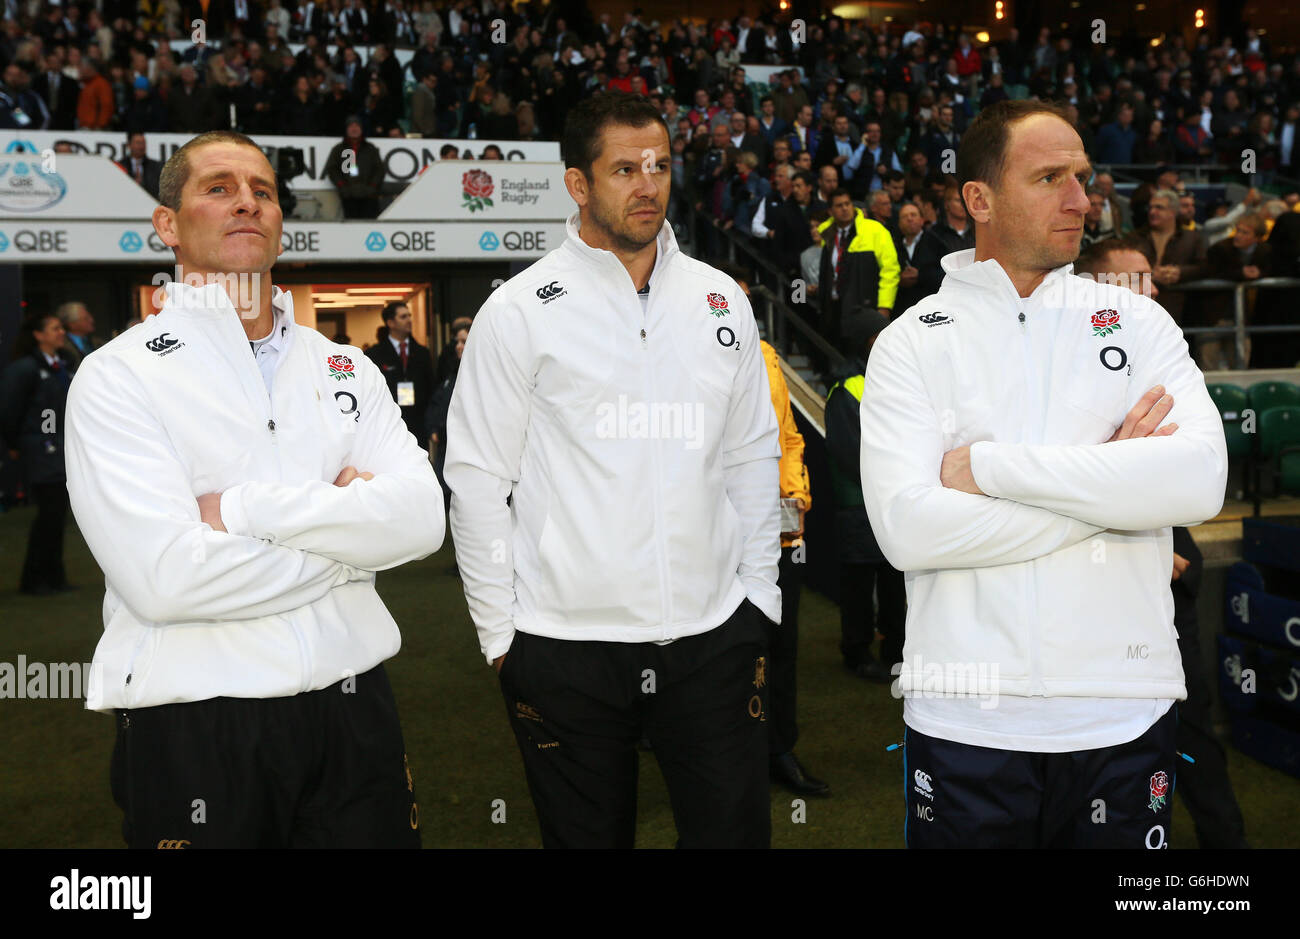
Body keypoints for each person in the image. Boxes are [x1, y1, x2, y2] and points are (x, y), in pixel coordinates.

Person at [859, 100, 1227, 848]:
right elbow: (909, 532)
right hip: (966, 719)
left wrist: (991, 467)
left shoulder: (1138, 321)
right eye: (1050, 177)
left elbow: (1196, 483)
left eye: (1083, 177)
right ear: (978, 198)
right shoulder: (910, 344)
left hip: (1122, 712)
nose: (1080, 200)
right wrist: (1117, 485)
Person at [63, 131, 445, 848]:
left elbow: (423, 519)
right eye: (218, 187)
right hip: (196, 719)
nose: (246, 201)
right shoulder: (118, 377)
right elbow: (167, 581)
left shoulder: (344, 367)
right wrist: (353, 542)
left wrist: (244, 510)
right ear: (168, 225)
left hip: (354, 705)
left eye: (263, 190)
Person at [445, 92, 781, 849]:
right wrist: (501, 635)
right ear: (577, 184)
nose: (648, 184)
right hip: (565, 649)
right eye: (625, 168)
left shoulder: (720, 297)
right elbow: (475, 478)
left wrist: (758, 597)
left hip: (714, 640)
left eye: (660, 165)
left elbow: (751, 454)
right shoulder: (520, 308)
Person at [1074, 238, 1250, 848]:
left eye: (1148, 280)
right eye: (1128, 283)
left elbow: (1192, 480)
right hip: (1091, 607)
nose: (1145, 294)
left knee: (1194, 739)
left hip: (1170, 582)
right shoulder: (1058, 378)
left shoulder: (1167, 364)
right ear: (1088, 289)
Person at [825, 313, 903, 682]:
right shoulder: (846, 389)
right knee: (858, 586)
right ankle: (856, 653)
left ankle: (894, 649)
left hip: (889, 502)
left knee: (893, 581)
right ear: (868, 341)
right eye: (881, 335)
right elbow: (849, 452)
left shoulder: (887, 379)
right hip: (859, 505)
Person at [2, 312, 75, 595]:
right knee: (49, 515)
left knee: (56, 517)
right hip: (41, 451)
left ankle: (55, 577)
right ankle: (35, 580)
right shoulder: (24, 369)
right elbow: (8, 411)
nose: (61, 333)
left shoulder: (63, 366)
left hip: (59, 450)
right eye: (55, 328)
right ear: (38, 334)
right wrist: (17, 445)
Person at [816, 188, 899, 353]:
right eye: (839, 205)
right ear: (831, 211)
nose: (845, 208)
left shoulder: (875, 230)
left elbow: (890, 270)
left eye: (848, 204)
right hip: (834, 309)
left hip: (866, 307)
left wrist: (884, 306)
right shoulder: (826, 234)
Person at [364, 300, 435, 447]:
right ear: (390, 323)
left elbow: (430, 388)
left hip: (418, 424)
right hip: (388, 424)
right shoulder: (375, 355)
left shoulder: (422, 353)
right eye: (403, 317)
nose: (409, 320)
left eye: (409, 315)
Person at [425, 319, 468, 516]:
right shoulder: (453, 371)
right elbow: (439, 400)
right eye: (457, 342)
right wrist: (433, 426)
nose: (458, 347)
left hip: (465, 445)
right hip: (446, 440)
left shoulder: (477, 372)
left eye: (463, 342)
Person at [326, 116, 385, 218]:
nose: (354, 129)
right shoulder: (339, 149)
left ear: (361, 129)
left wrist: (372, 187)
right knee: (351, 227)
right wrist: (343, 187)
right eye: (351, 126)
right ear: (346, 129)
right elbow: (332, 169)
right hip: (349, 197)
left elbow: (379, 169)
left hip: (369, 197)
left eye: (357, 126)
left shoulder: (370, 148)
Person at [114, 131, 163, 200]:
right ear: (129, 145)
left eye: (143, 143)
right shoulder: (120, 166)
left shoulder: (156, 167)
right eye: (138, 143)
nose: (141, 146)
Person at [56, 301, 102, 369]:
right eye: (86, 319)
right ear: (72, 324)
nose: (92, 320)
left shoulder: (99, 342)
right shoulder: (60, 346)